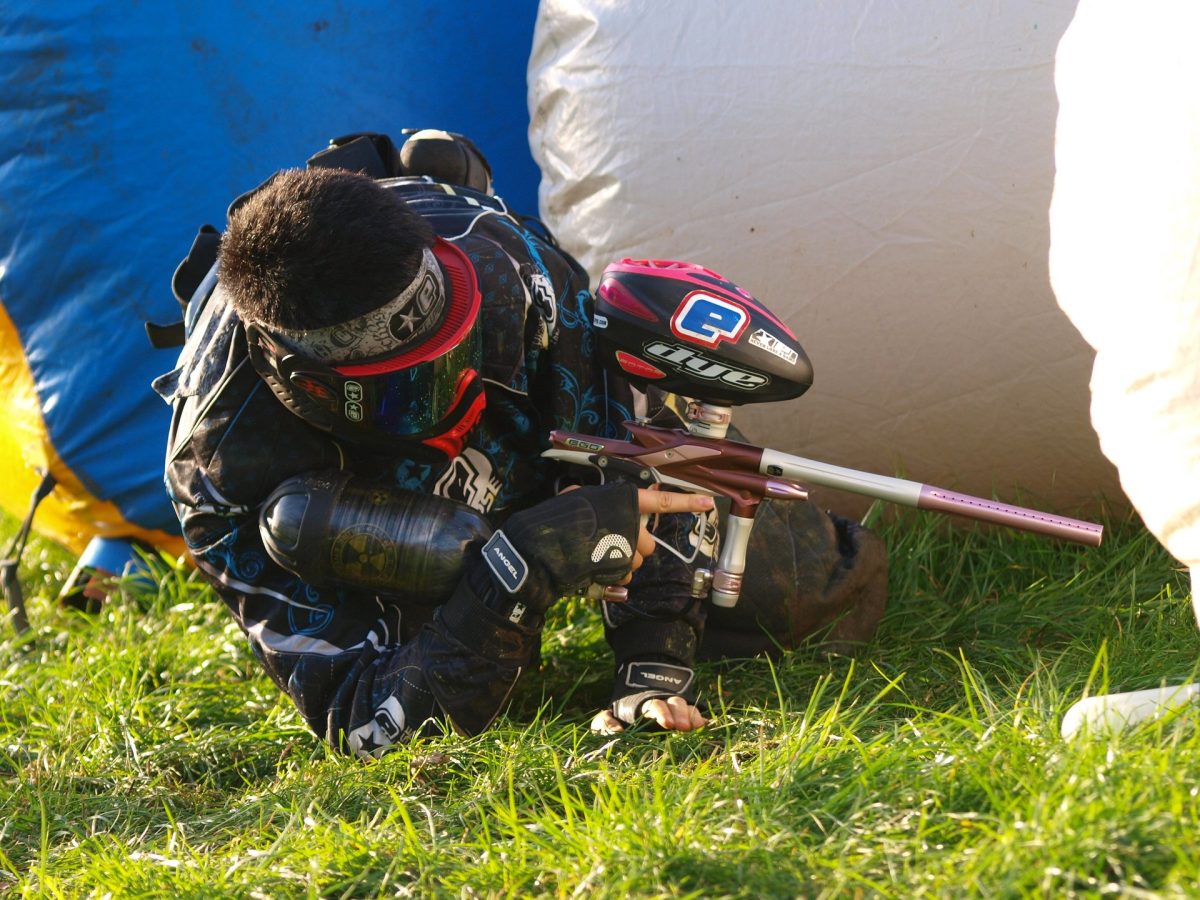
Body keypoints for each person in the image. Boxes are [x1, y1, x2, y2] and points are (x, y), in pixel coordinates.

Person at [156, 129, 888, 757]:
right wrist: (521, 566)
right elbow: (363, 722)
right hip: (372, 504)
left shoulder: (506, 267)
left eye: (461, 344)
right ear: (308, 381)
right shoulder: (224, 463)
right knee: (466, 703)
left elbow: (641, 455)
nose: (454, 396)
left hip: (528, 440)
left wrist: (654, 662)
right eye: (414, 385)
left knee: (799, 593)